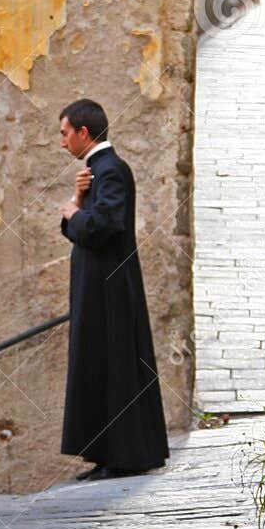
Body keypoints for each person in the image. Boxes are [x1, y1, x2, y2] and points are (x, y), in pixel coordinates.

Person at [58, 98, 169, 482]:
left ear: (84, 133)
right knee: (100, 364)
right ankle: (108, 454)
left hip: (109, 289)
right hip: (98, 288)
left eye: (65, 133)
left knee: (114, 364)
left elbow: (103, 227)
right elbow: (85, 224)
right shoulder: (97, 171)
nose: (62, 142)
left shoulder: (112, 170)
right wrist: (75, 203)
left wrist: (74, 214)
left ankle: (124, 456)